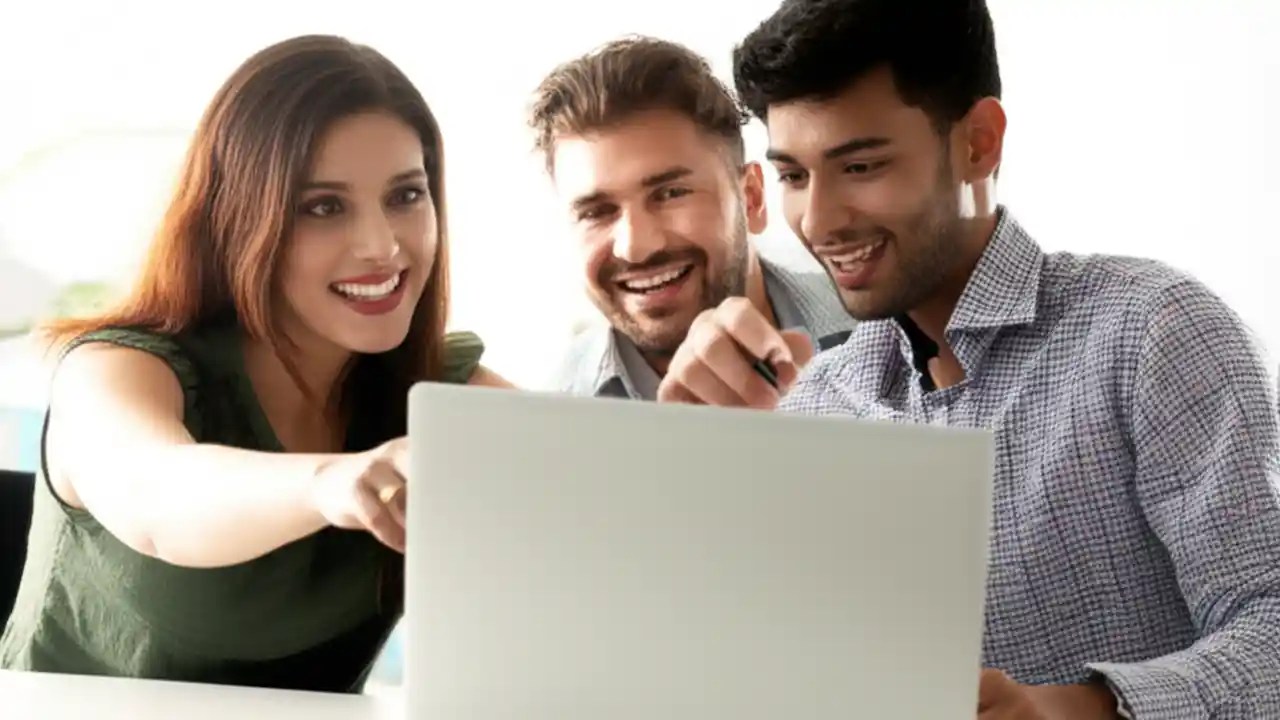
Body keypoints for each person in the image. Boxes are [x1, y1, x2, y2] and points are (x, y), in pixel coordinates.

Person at [660, 0, 1280, 717]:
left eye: (859, 165)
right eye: (795, 176)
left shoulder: (1151, 331)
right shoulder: (817, 406)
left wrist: (1072, 711)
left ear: (978, 144)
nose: (819, 222)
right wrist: (690, 481)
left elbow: (1271, 625)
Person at [0, 35, 510, 692]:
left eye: (406, 196)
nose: (383, 245)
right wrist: (331, 484)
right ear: (238, 218)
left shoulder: (439, 390)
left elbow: (599, 477)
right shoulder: (115, 370)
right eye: (323, 207)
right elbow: (159, 497)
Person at [528, 36, 854, 401]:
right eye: (596, 212)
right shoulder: (555, 419)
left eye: (670, 194)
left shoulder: (886, 331)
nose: (636, 247)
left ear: (752, 199)